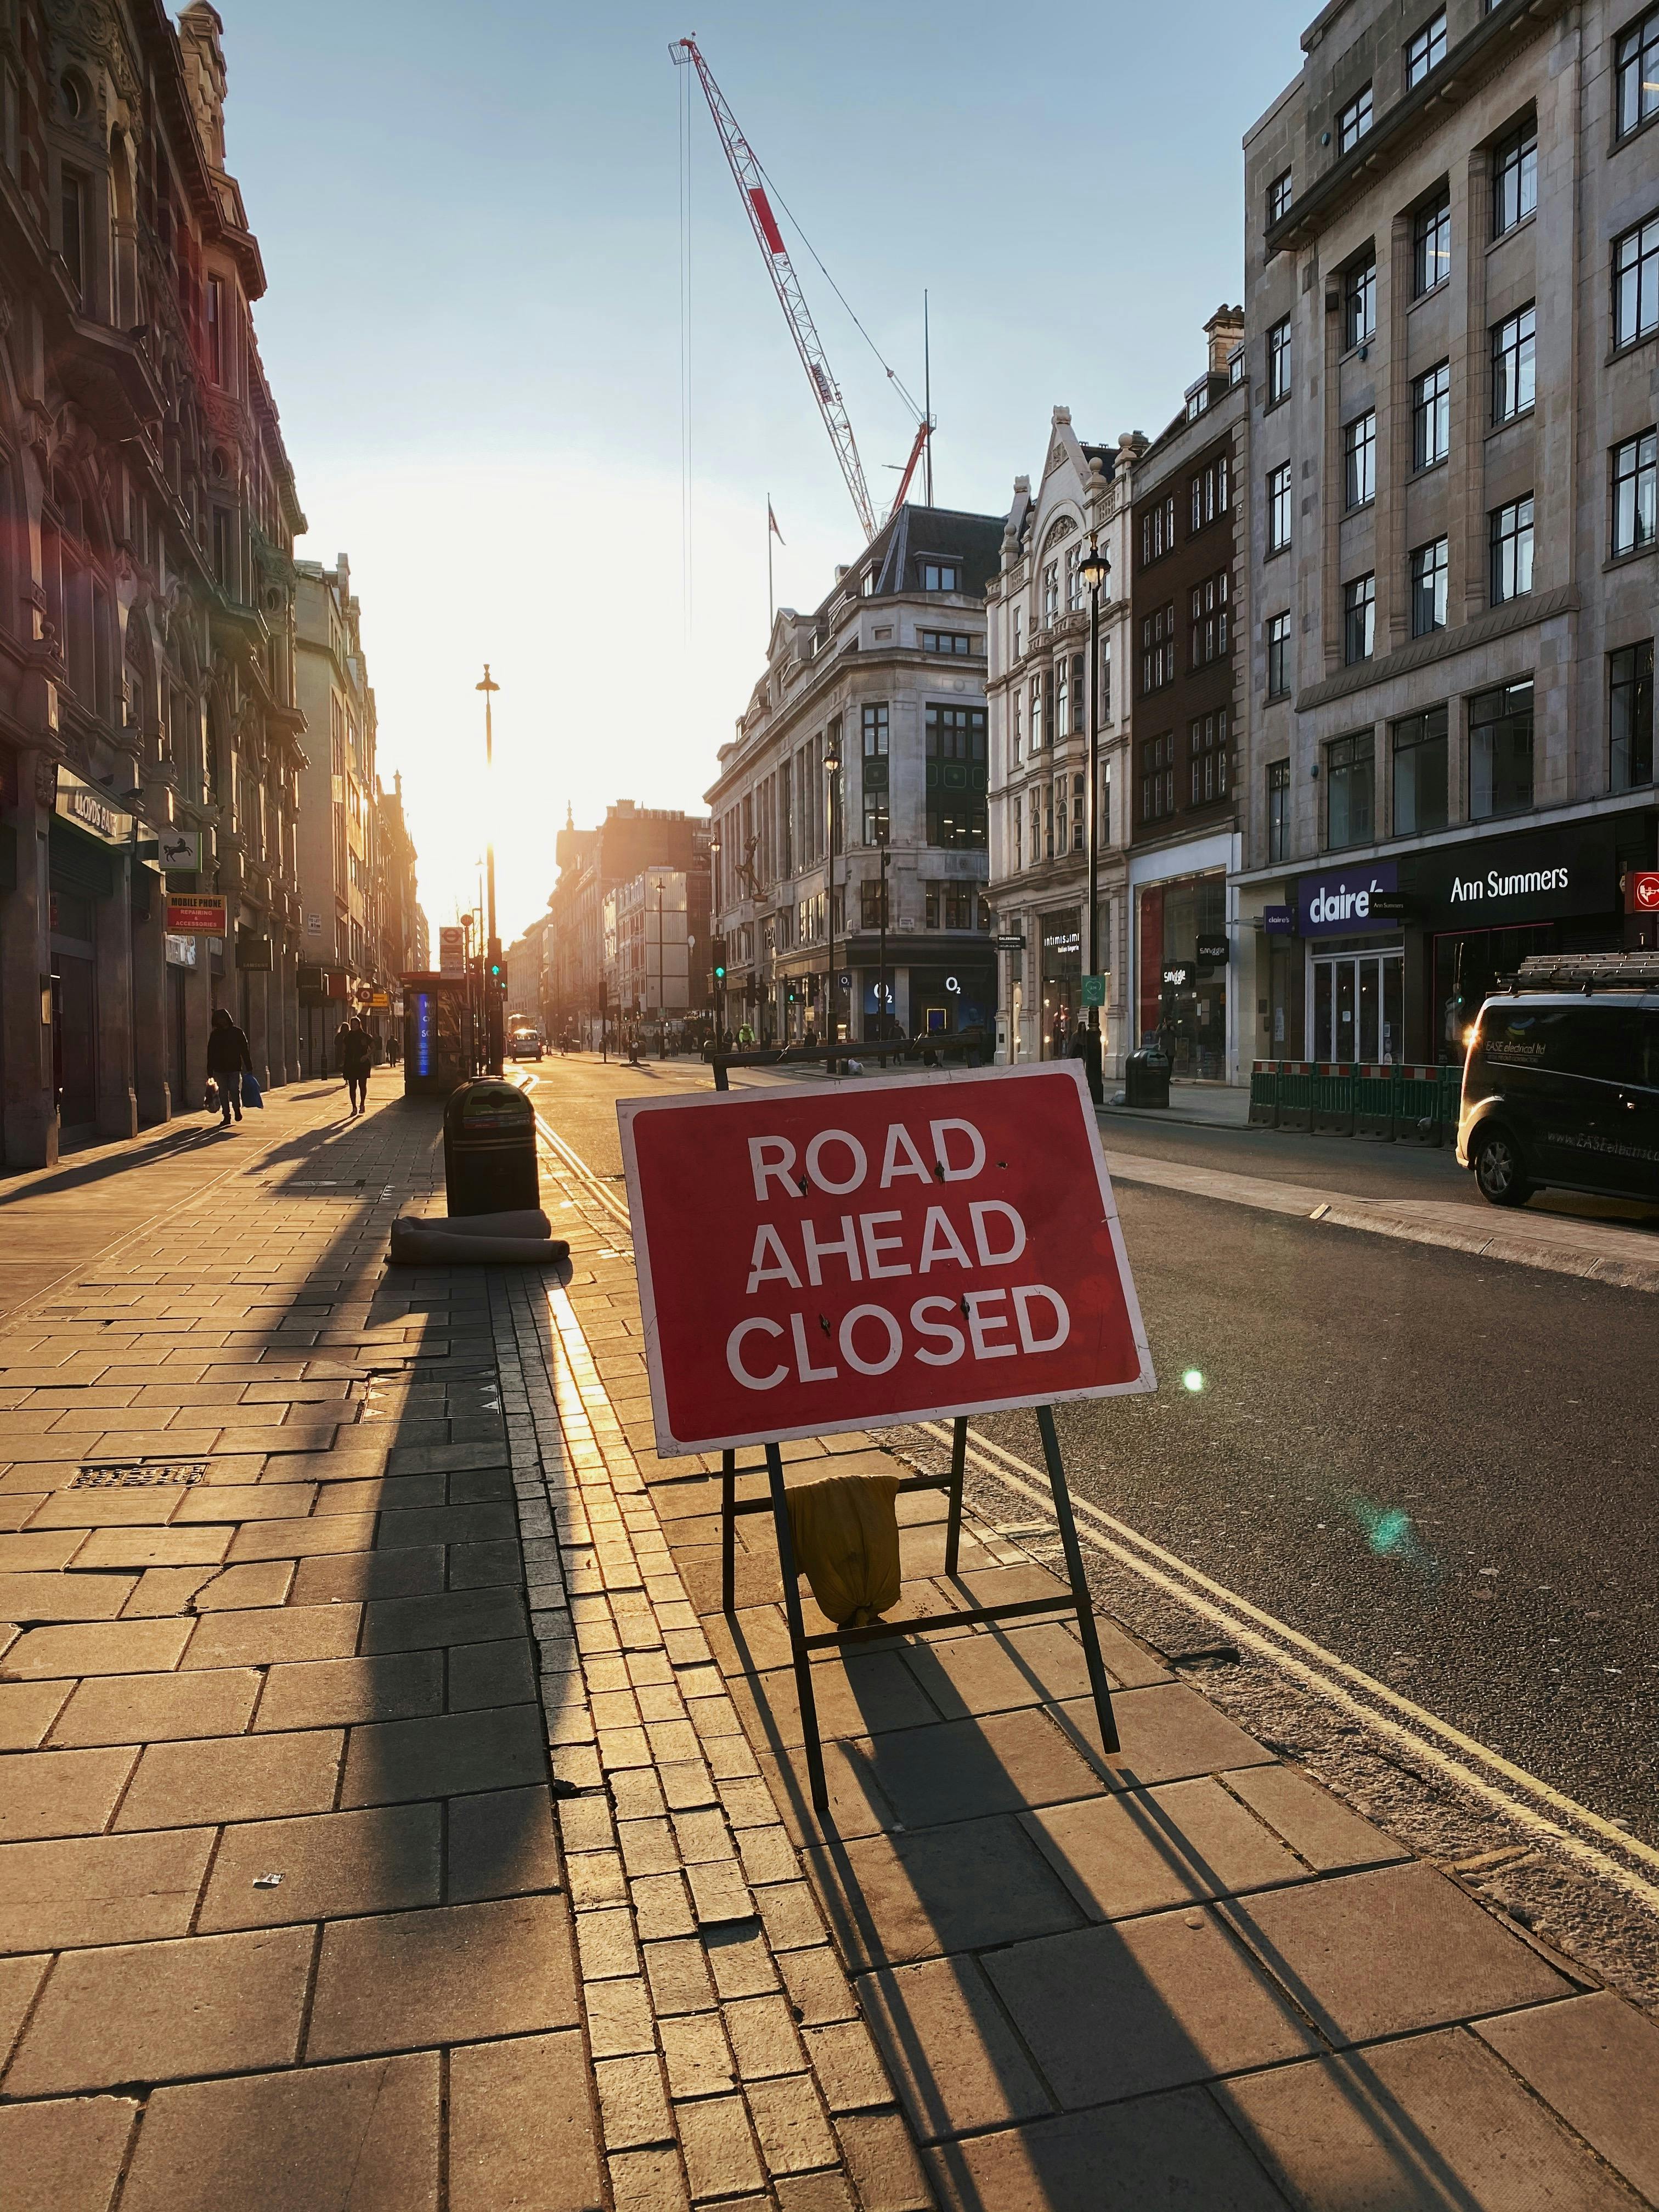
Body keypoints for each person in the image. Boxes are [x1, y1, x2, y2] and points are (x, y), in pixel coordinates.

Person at [207, 1007, 252, 1128]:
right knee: (223, 1093)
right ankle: (226, 1116)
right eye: (219, 1019)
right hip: (219, 1069)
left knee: (234, 1090)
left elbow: (244, 1051)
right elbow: (211, 1053)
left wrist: (249, 1066)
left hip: (234, 1068)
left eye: (223, 1018)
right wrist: (210, 1071)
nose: (222, 1021)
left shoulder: (237, 1032)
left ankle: (236, 1109)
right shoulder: (215, 1035)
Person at [342, 1018, 374, 1116]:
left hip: (362, 1064)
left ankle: (362, 1104)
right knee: (352, 1087)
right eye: (352, 1024)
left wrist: (366, 1056)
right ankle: (354, 1107)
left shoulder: (365, 1036)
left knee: (362, 1085)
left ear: (359, 1025)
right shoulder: (348, 1037)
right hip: (351, 1064)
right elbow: (344, 1049)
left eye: (356, 1024)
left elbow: (373, 1048)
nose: (354, 1026)